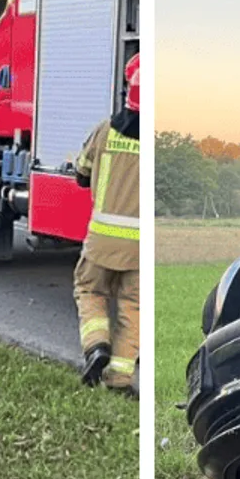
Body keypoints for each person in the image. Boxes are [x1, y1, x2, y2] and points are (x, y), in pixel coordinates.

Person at [72, 52, 140, 394]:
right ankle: (121, 380)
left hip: (101, 241)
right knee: (132, 308)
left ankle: (96, 346)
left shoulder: (104, 131)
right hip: (140, 249)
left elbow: (81, 173)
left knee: (90, 290)